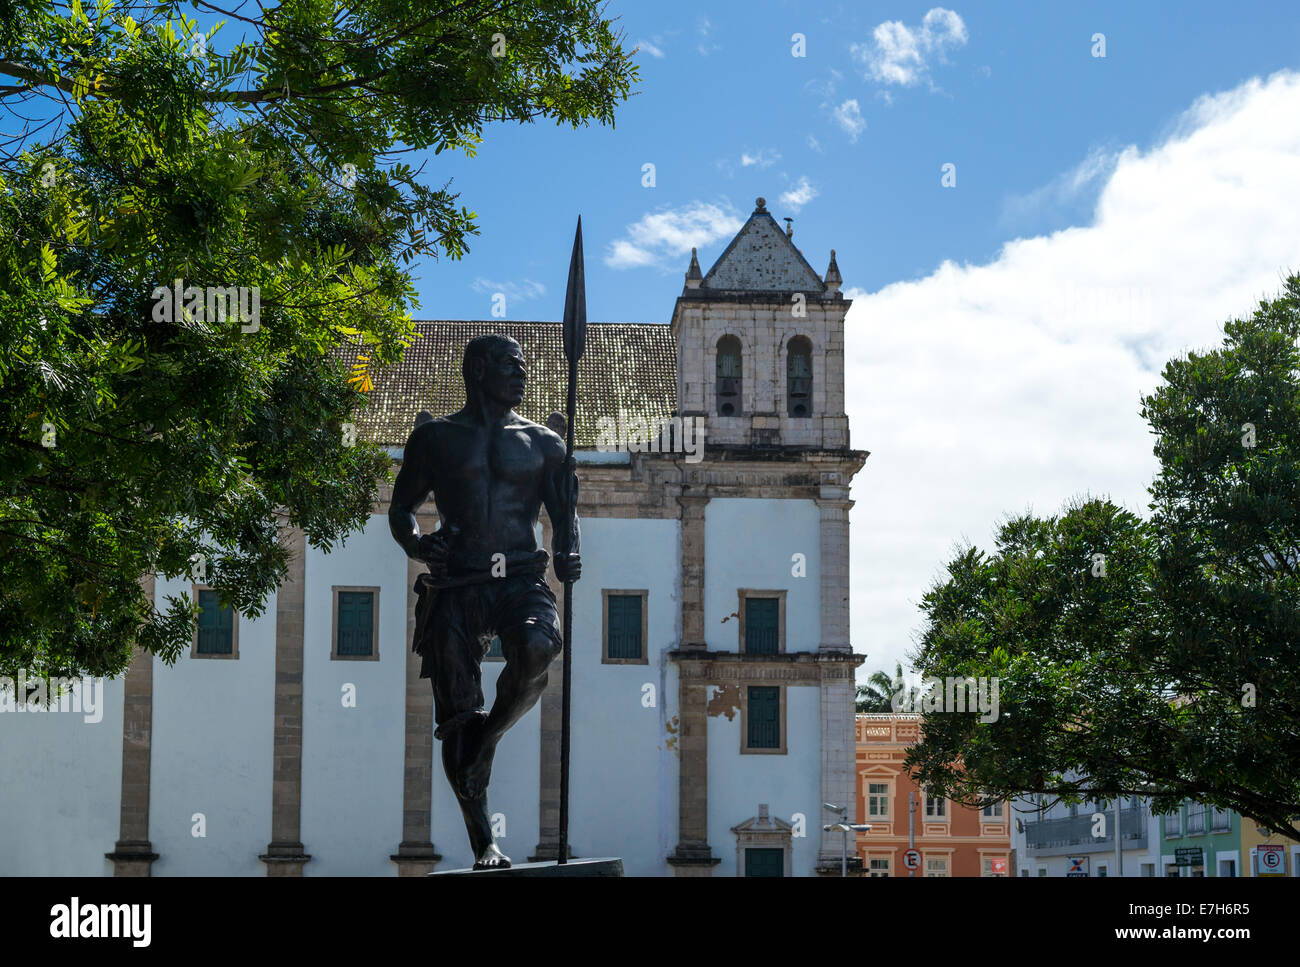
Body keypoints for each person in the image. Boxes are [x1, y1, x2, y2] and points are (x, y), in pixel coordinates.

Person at [388, 333, 580, 870]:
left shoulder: (545, 445)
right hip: (458, 580)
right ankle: (484, 845)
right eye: (511, 366)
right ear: (478, 371)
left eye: (525, 368)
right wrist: (417, 543)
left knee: (538, 648)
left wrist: (569, 550)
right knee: (457, 717)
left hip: (520, 575)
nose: (522, 375)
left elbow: (565, 516)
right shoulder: (435, 440)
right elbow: (401, 509)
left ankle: (489, 739)